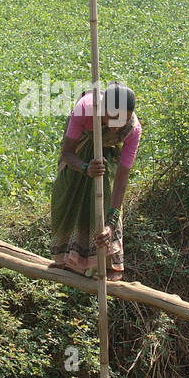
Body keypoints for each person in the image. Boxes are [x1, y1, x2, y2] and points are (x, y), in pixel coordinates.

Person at [50, 81, 141, 279]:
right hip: (79, 156)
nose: (117, 126)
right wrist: (84, 167)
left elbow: (122, 178)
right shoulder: (85, 109)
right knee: (67, 196)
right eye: (112, 117)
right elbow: (67, 152)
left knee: (105, 195)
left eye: (122, 120)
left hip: (107, 159)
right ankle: (70, 261)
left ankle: (104, 264)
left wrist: (110, 222)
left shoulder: (132, 129)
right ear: (102, 109)